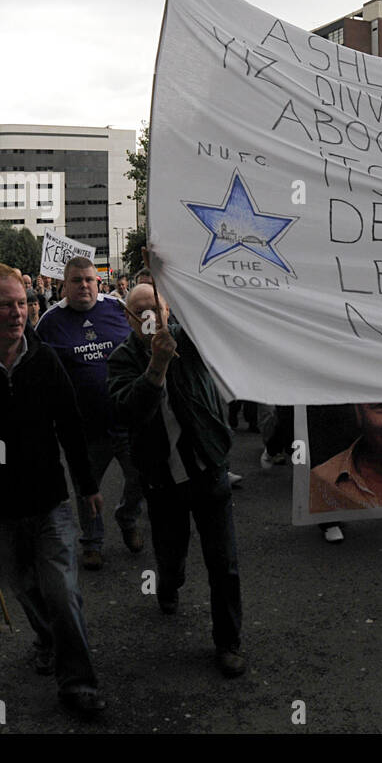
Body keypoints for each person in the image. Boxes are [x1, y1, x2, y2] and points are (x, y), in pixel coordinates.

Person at [0, 264, 107, 716]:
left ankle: (79, 683)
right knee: (26, 588)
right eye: (5, 305)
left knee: (62, 591)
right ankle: (49, 639)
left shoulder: (44, 358)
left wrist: (87, 484)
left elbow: (69, 423)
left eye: (22, 304)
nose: (17, 313)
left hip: (50, 501)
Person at [107, 284, 246, 678]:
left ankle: (228, 642)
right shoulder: (122, 360)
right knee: (171, 554)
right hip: (161, 479)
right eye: (140, 312)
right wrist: (157, 366)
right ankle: (169, 584)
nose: (150, 316)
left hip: (207, 469)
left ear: (169, 309)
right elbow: (128, 411)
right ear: (129, 319)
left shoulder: (191, 339)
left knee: (224, 563)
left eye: (156, 307)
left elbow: (219, 311)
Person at [37, 256, 145, 570]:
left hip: (126, 421)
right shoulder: (49, 322)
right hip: (84, 429)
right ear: (63, 286)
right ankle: (93, 542)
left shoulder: (118, 308)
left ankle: (127, 517)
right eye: (76, 281)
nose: (84, 286)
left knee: (140, 477)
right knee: (88, 489)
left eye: (89, 280)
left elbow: (142, 344)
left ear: (98, 282)